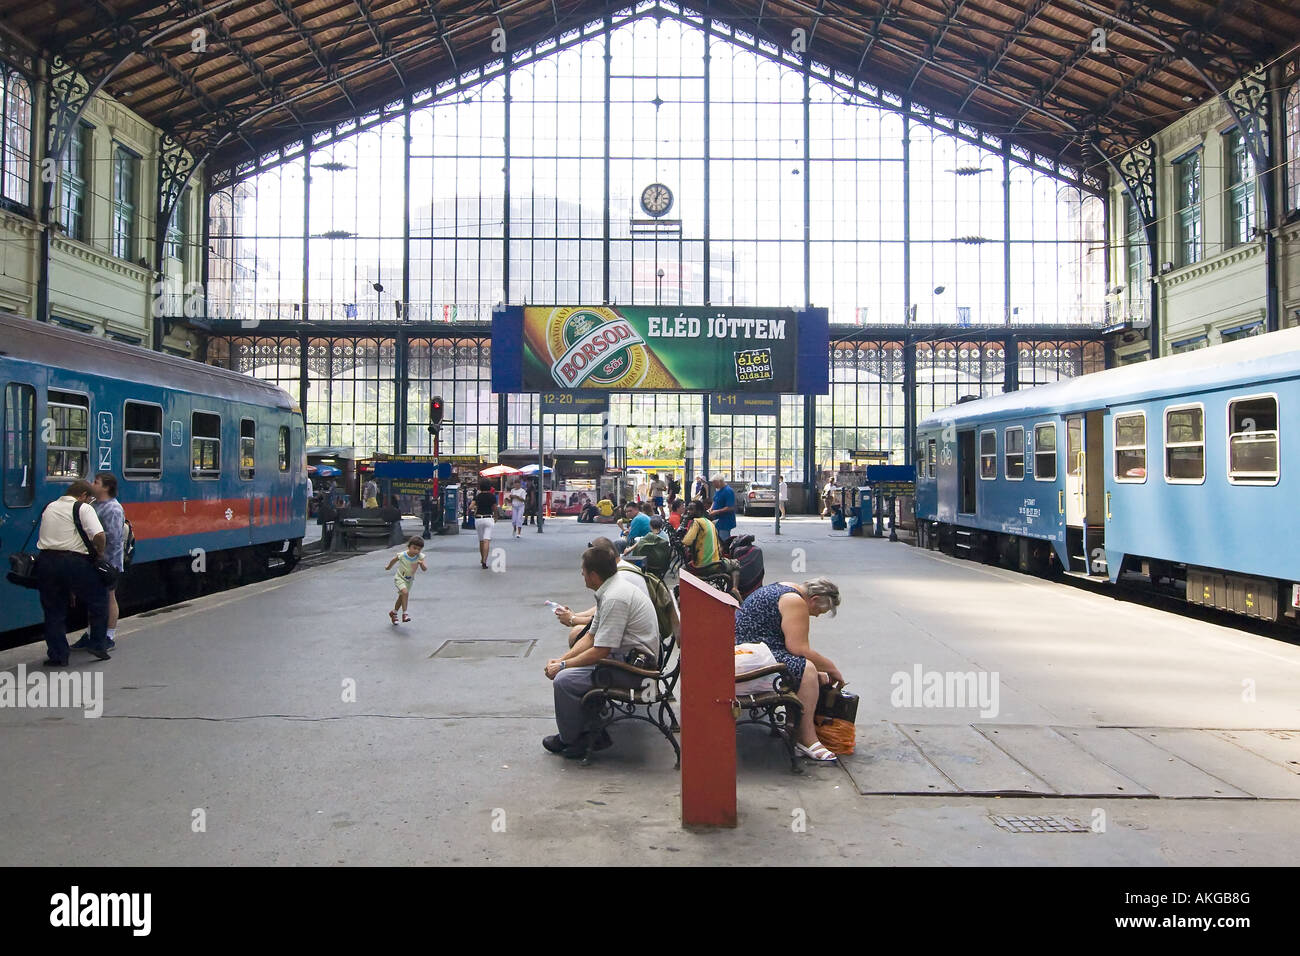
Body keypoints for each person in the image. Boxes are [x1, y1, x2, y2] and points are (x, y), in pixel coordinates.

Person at [542, 546, 660, 758]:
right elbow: (590, 636)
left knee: (564, 681)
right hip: (625, 659)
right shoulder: (611, 589)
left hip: (636, 672)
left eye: (583, 570)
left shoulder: (615, 597)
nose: (581, 574)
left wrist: (562, 667)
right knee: (567, 671)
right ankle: (585, 731)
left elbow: (599, 650)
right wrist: (562, 660)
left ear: (594, 575)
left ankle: (574, 739)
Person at [735, 578, 843, 762]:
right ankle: (806, 739)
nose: (816, 615)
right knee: (807, 669)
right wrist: (832, 669)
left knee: (806, 669)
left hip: (745, 652)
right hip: (747, 661)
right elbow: (799, 649)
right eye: (819, 611)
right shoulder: (794, 601)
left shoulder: (784, 587)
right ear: (814, 599)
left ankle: (793, 725)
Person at [35, 479, 110, 665]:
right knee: (99, 600)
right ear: (83, 495)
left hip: (46, 562)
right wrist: (99, 552)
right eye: (89, 499)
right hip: (73, 562)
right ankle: (98, 644)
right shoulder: (83, 508)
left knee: (53, 610)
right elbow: (99, 535)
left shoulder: (49, 507)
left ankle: (58, 655)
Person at [72, 472, 125, 653]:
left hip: (108, 562)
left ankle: (109, 636)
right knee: (93, 599)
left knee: (110, 598)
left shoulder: (113, 509)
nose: (92, 484)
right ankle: (91, 634)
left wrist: (104, 560)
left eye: (96, 482)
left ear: (106, 487)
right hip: (93, 560)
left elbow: (114, 539)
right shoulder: (94, 504)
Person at [384, 536, 428, 624]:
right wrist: (388, 567)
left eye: (419, 549)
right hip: (399, 578)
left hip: (409, 581)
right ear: (409, 546)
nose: (416, 551)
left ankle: (394, 613)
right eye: (414, 548)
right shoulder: (402, 555)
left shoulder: (420, 557)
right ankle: (405, 614)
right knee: (405, 593)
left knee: (402, 597)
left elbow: (425, 569)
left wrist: (421, 564)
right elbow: (394, 560)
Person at [681, 500, 721, 569]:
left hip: (703, 564)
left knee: (683, 569)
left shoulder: (697, 522)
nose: (688, 511)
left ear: (699, 511)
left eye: (691, 509)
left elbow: (687, 541)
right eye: (688, 509)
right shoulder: (710, 522)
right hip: (716, 562)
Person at [472, 478, 498, 569]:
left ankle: (482, 557)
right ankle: (484, 561)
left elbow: (471, 506)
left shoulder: (478, 496)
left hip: (479, 519)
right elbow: (495, 508)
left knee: (481, 541)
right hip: (488, 518)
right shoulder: (492, 496)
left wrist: (474, 510)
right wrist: (496, 516)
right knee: (487, 540)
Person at [708, 475, 738, 544]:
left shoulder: (728, 491)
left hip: (725, 521)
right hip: (718, 520)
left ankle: (725, 553)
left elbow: (730, 507)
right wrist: (711, 508)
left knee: (723, 540)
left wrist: (717, 511)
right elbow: (715, 500)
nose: (713, 484)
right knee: (717, 539)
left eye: (714, 482)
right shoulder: (718, 490)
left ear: (720, 482)